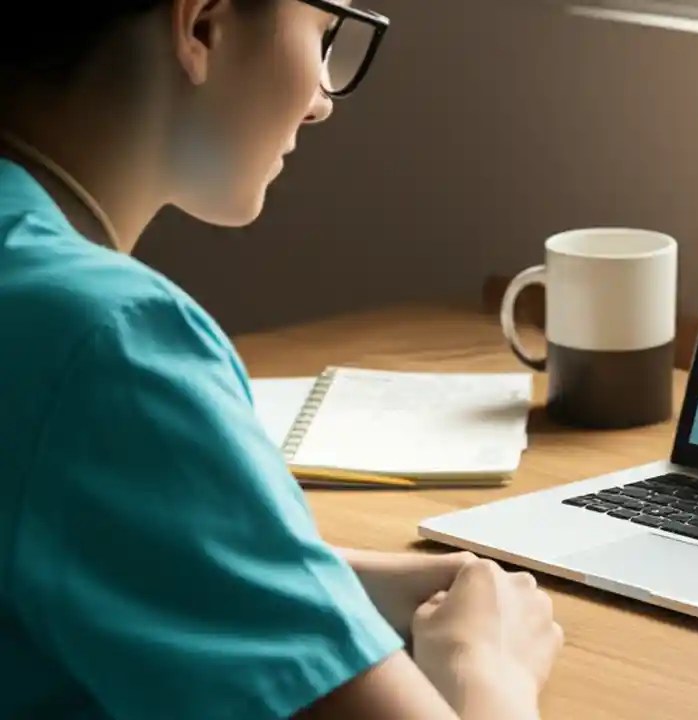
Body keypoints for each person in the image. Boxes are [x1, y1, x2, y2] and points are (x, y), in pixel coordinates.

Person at [0, 2, 563, 719]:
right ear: (202, 24)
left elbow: (65, 536)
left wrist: (318, 582)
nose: (323, 102)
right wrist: (489, 664)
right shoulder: (106, 343)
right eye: (324, 33)